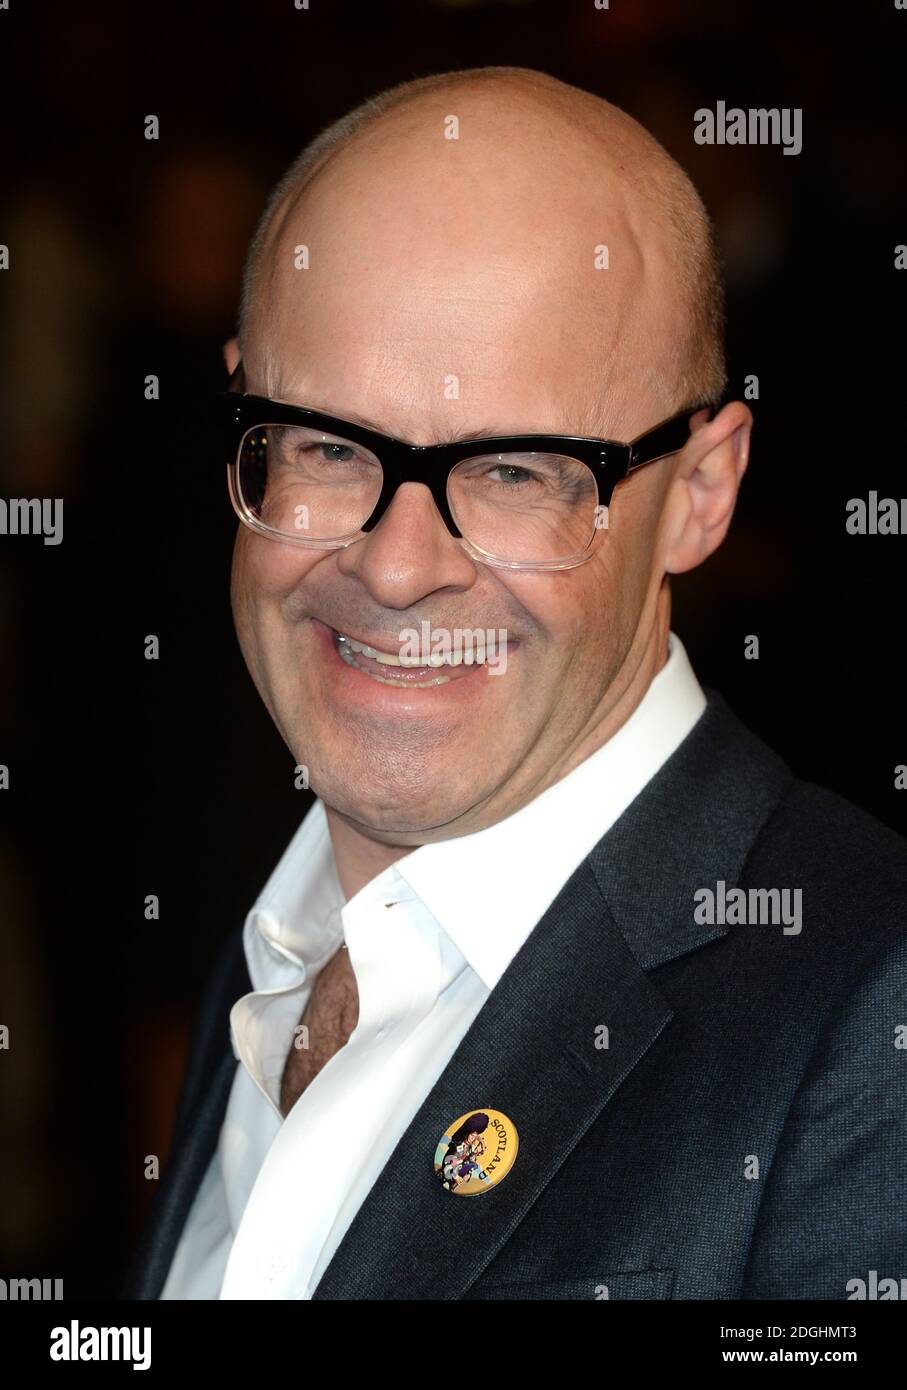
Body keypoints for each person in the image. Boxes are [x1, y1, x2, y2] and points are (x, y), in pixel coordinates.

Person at [122, 66, 907, 1302]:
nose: (394, 567)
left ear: (701, 492)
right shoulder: (273, 947)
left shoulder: (866, 1018)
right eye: (328, 445)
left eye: (515, 472)